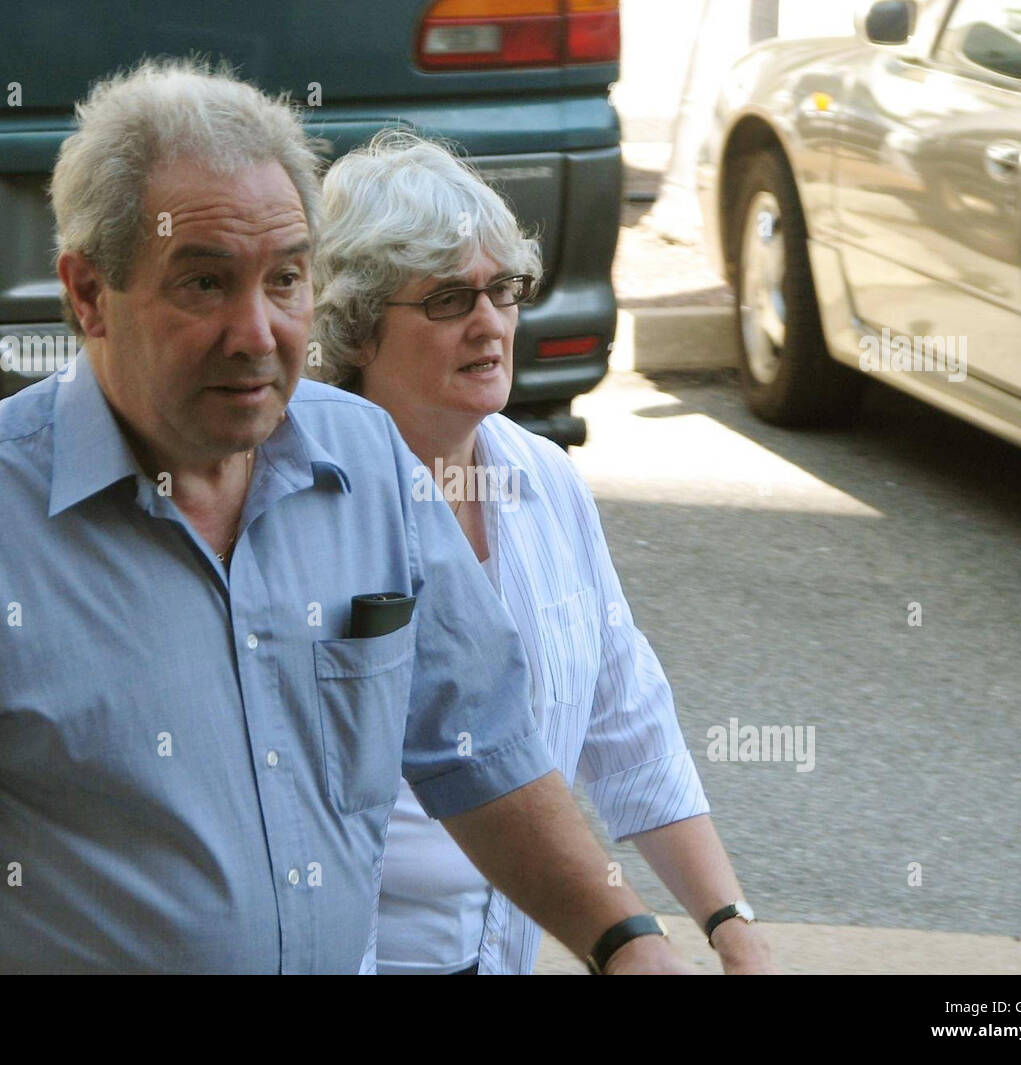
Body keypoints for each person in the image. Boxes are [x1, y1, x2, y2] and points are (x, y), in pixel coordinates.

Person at [0, 59, 686, 975]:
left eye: (286, 279)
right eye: (205, 283)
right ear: (88, 294)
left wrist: (625, 941)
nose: (258, 332)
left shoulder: (368, 464)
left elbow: (485, 750)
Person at [312, 131, 776, 975]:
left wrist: (730, 923)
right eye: (449, 298)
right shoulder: (309, 507)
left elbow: (626, 718)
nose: (490, 322)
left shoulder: (544, 480)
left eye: (504, 290)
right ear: (359, 327)